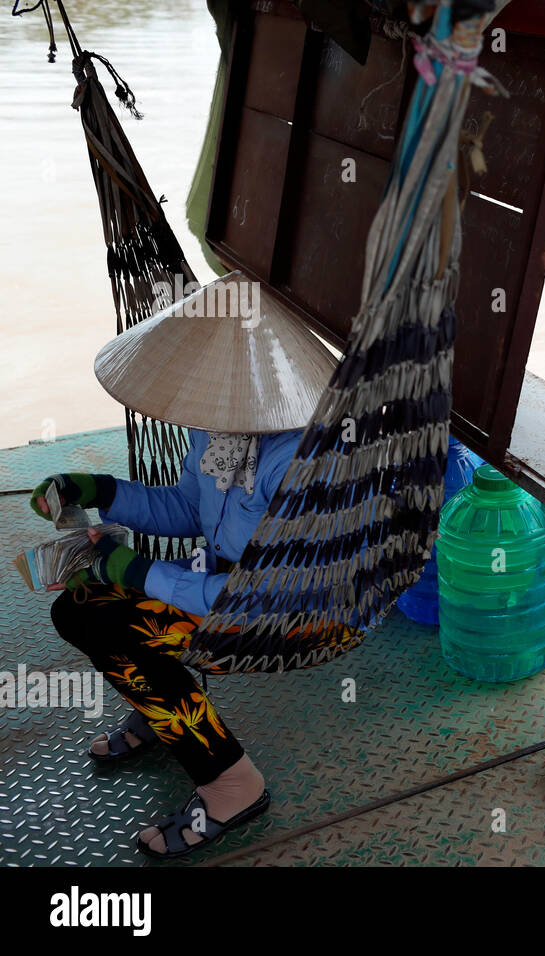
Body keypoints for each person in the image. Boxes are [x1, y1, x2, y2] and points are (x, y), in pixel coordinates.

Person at [35, 274, 360, 859]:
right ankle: (164, 712)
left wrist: (136, 574)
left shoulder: (305, 461)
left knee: (110, 623)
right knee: (77, 609)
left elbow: (261, 597)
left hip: (297, 613)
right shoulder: (224, 427)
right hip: (222, 586)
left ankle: (234, 786)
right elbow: (190, 507)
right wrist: (100, 489)